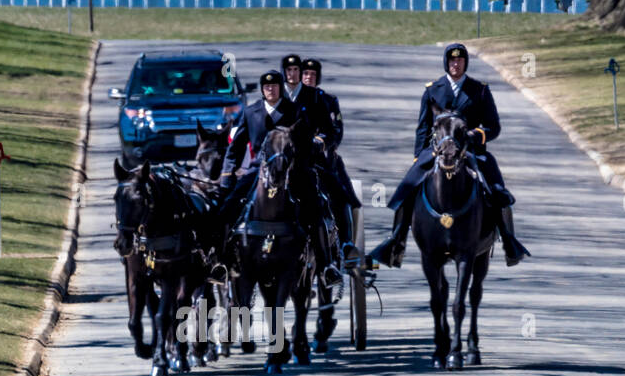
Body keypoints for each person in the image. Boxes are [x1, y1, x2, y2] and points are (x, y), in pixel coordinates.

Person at [368, 42, 530, 268]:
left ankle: (509, 241)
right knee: (406, 189)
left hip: (471, 151)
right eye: (452, 60)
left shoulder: (480, 90)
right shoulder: (432, 90)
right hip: (437, 151)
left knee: (498, 190)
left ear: (465, 63)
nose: (456, 64)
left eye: (460, 60)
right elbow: (423, 128)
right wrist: (419, 157)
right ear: (447, 62)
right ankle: (396, 241)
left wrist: (477, 135)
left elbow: (494, 126)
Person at [221, 68, 342, 286]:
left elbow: (306, 142)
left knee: (316, 209)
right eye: (266, 87)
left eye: (274, 86)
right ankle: (221, 262)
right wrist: (227, 175)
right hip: (259, 171)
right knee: (227, 208)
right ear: (262, 89)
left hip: (293, 171)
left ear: (280, 89)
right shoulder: (250, 112)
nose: (270, 90)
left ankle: (326, 266)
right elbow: (235, 148)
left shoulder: (295, 111)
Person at [301, 57, 362, 266]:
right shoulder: (290, 100)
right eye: (305, 74)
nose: (308, 77)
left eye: (312, 75)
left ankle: (345, 243)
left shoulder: (328, 100)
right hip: (296, 162)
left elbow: (336, 131)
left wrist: (321, 142)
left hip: (324, 160)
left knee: (341, 196)